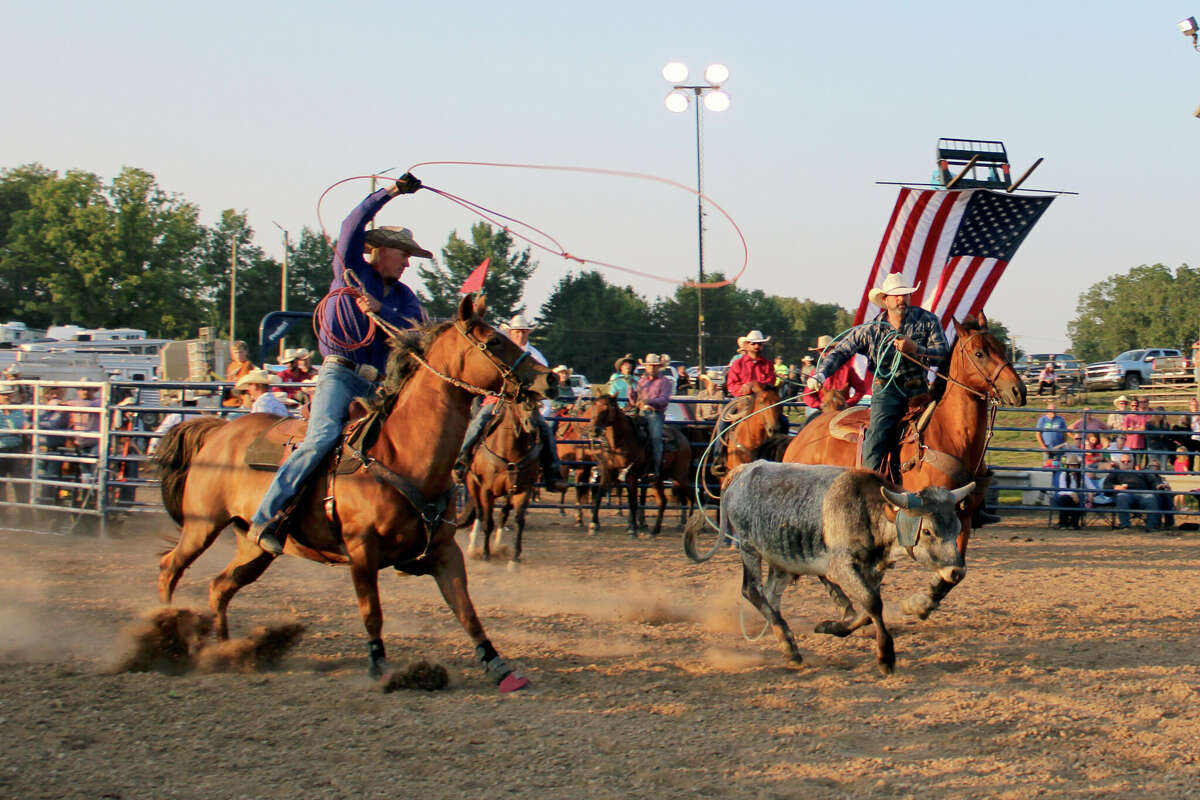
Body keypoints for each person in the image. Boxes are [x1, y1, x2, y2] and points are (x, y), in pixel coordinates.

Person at [248, 173, 429, 555]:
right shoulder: (351, 269)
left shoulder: (404, 297)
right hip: (340, 373)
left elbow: (417, 331)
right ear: (382, 251)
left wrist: (382, 311)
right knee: (323, 438)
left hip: (379, 383)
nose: (407, 263)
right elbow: (351, 224)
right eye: (404, 255)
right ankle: (268, 514)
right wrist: (393, 191)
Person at [806, 273, 949, 475]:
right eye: (896, 295)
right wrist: (821, 374)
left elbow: (943, 354)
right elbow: (841, 351)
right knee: (877, 435)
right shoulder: (871, 330)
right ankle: (869, 482)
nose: (901, 299)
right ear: (885, 300)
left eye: (905, 294)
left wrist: (916, 349)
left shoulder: (927, 321)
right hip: (887, 391)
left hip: (920, 390)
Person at [453, 315, 567, 492]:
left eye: (523, 332)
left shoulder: (536, 356)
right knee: (479, 421)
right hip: (500, 399)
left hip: (524, 403)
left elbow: (544, 383)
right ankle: (461, 461)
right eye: (516, 332)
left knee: (545, 430)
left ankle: (552, 473)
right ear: (511, 333)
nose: (519, 335)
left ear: (528, 333)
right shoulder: (503, 350)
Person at [711, 330, 777, 474]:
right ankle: (719, 457)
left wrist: (754, 384)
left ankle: (779, 456)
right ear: (747, 345)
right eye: (754, 343)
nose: (756, 346)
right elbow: (731, 385)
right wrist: (743, 389)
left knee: (781, 422)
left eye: (759, 344)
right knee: (722, 422)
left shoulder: (767, 364)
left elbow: (771, 381)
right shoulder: (738, 364)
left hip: (762, 401)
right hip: (742, 400)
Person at [802, 333, 870, 421]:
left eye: (827, 349)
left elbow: (861, 389)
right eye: (821, 351)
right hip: (823, 411)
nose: (824, 353)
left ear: (834, 350)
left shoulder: (848, 369)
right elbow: (807, 396)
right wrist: (819, 405)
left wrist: (848, 403)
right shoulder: (815, 373)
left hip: (844, 411)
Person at [629, 353, 673, 480]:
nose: (651, 368)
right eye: (649, 366)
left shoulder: (664, 381)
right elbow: (633, 402)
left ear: (658, 367)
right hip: (641, 412)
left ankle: (655, 468)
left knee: (655, 438)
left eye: (654, 366)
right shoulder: (641, 381)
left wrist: (649, 401)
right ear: (646, 367)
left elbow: (664, 400)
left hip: (655, 414)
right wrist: (631, 392)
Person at [1103, 453, 1161, 530]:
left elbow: (1153, 481)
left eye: (1128, 461)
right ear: (1119, 463)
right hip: (1125, 494)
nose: (1126, 463)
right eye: (1123, 462)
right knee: (1122, 497)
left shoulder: (1141, 472)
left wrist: (1158, 485)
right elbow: (1106, 486)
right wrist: (1115, 487)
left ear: (1133, 462)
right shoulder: (1115, 473)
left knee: (1151, 497)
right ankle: (1125, 526)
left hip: (1143, 493)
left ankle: (1151, 526)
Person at [0, 382, 30, 523]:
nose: (6, 397)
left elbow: (23, 432)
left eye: (7, 394)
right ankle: (3, 516)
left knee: (21, 483)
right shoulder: (16, 410)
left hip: (15, 449)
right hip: (1, 449)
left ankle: (24, 516)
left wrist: (25, 452)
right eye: (3, 395)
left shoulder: (17, 411)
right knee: (1, 485)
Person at [1051, 452, 1084, 529]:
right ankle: (1064, 523)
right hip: (1067, 496)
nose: (1073, 467)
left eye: (1075, 465)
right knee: (1064, 498)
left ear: (1078, 466)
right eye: (1071, 465)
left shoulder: (1082, 475)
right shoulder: (1064, 474)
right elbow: (1062, 489)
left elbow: (1091, 487)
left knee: (1079, 498)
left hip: (1077, 497)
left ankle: (1072, 523)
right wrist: (1072, 493)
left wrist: (1091, 493)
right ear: (1068, 466)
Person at [222, 341, 255, 408]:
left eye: (240, 352)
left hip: (241, 400)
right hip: (229, 399)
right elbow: (228, 381)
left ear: (246, 352)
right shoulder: (231, 365)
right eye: (236, 353)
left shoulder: (247, 364)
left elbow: (243, 383)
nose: (238, 355)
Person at [1124, 397, 1149, 467]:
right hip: (1129, 445)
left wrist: (1131, 429)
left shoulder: (1142, 417)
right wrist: (1138, 429)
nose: (1134, 407)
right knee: (1129, 465)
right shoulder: (1127, 417)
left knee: (1138, 465)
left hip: (1139, 445)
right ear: (1130, 406)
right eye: (1133, 405)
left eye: (1136, 405)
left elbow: (1143, 429)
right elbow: (1125, 430)